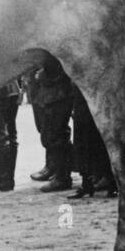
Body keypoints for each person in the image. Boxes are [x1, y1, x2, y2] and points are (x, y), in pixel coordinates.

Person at [25, 56, 74, 192]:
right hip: (48, 94)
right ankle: (57, 172)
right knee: (49, 135)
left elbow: (61, 67)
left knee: (56, 136)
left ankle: (62, 178)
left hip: (57, 94)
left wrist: (45, 75)